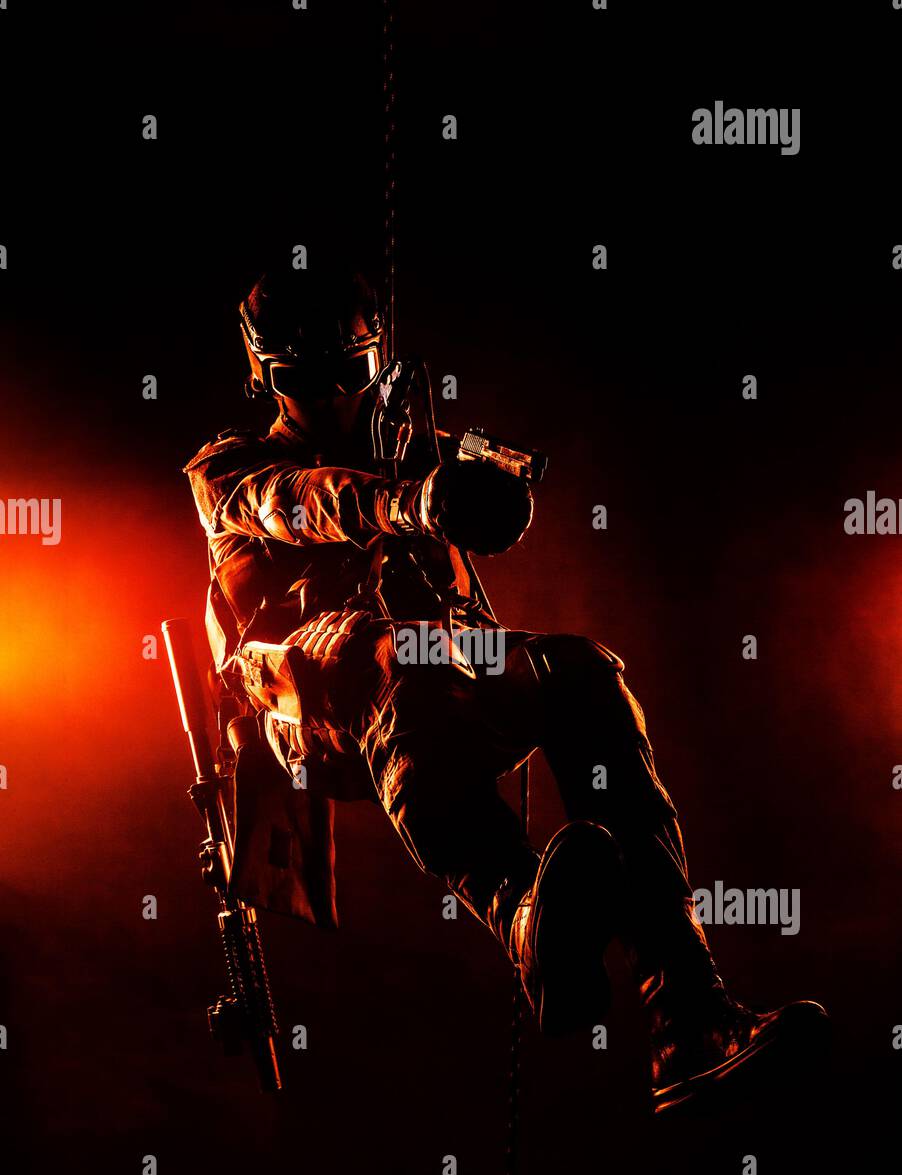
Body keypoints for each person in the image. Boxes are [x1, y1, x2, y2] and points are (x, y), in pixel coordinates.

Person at [183, 263, 828, 1114]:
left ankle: (689, 1010)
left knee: (584, 673)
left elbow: (493, 484)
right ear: (265, 377)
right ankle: (524, 918)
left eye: (353, 372)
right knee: (383, 656)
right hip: (310, 707)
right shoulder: (230, 469)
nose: (336, 397)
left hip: (446, 676)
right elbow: (299, 501)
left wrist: (488, 490)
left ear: (377, 361)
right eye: (307, 381)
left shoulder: (415, 449)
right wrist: (412, 502)